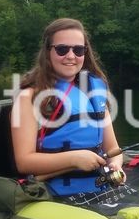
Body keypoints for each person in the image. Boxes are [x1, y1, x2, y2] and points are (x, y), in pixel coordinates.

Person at [11, 18, 123, 197]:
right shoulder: (29, 97)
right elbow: (24, 162)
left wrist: (116, 165)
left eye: (78, 50)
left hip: (99, 189)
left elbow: (113, 150)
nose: (71, 56)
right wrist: (74, 159)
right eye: (62, 49)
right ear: (48, 52)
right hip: (52, 192)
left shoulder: (95, 91)